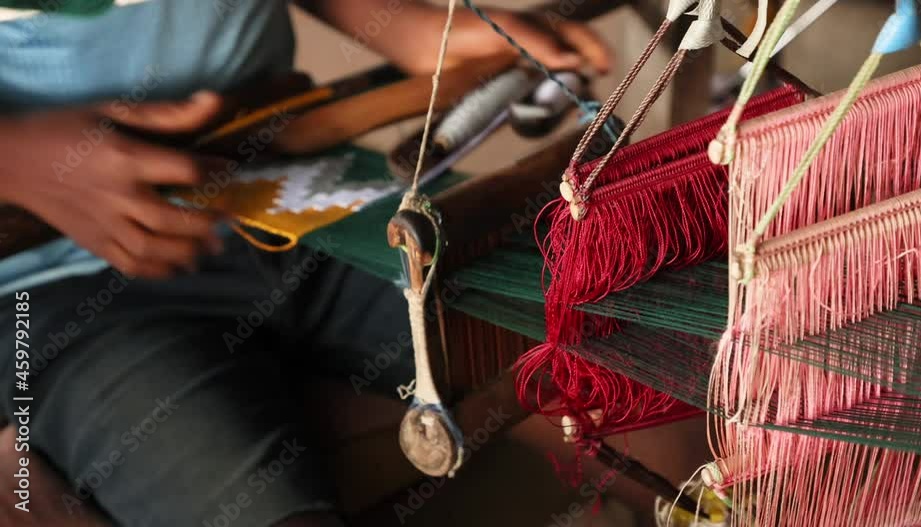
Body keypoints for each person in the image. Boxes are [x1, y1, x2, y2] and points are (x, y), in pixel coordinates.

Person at [0, 1, 611, 525]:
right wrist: (20, 160)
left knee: (621, 345)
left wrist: (408, 28)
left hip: (305, 205)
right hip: (52, 289)